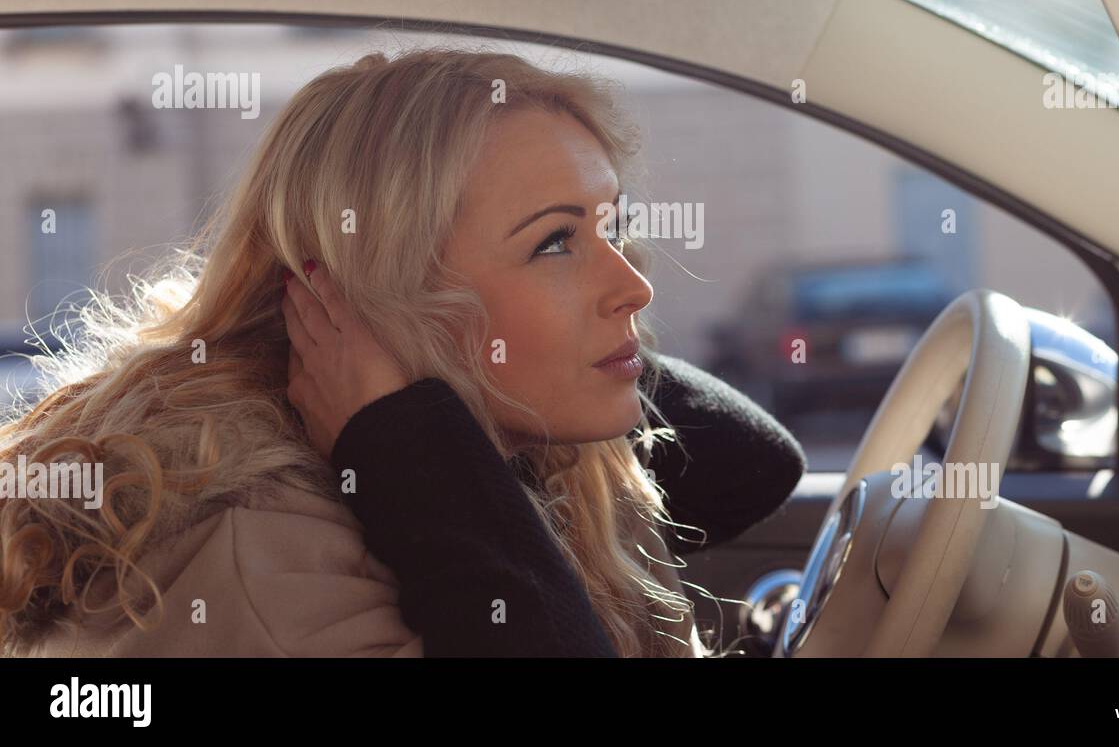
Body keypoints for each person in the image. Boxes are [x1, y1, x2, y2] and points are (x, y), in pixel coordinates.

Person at [0, 47, 805, 658]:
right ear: (380, 298)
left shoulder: (489, 452)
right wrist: (409, 445)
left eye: (614, 228)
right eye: (556, 242)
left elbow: (757, 467)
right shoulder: (275, 571)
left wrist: (455, 410)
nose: (635, 286)